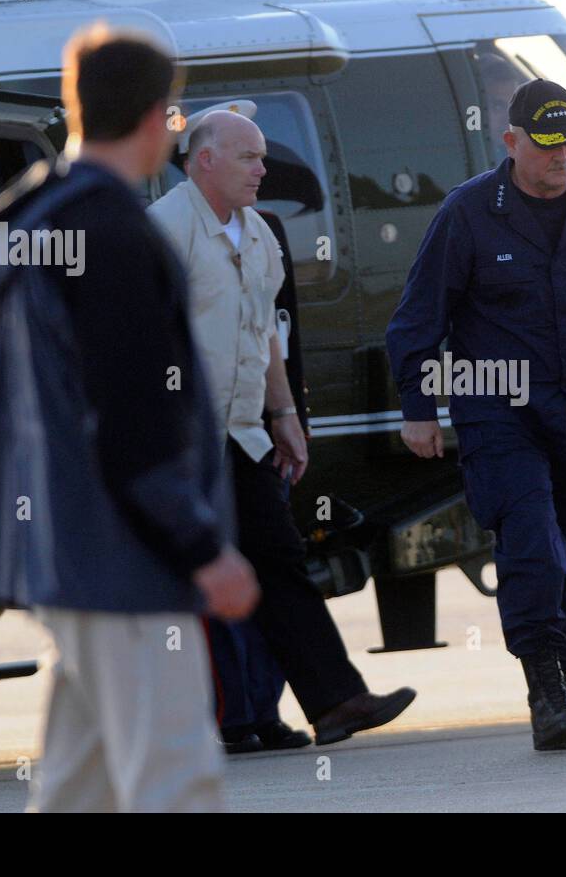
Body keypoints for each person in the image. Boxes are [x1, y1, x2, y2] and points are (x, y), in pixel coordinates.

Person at [0, 24, 259, 812]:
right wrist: (200, 546)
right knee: (176, 781)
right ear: (159, 114)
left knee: (76, 792)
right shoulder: (113, 232)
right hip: (129, 560)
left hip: (67, 551)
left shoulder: (45, 218)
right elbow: (132, 419)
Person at [386, 79, 566, 750]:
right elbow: (418, 319)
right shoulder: (470, 214)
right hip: (497, 414)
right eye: (547, 144)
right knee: (534, 547)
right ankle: (546, 695)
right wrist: (419, 408)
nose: (563, 157)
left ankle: (565, 684)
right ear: (511, 142)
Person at [149, 105, 416, 749]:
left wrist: (284, 415)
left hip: (243, 434)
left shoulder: (259, 234)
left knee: (278, 560)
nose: (264, 168)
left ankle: (333, 702)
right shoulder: (163, 231)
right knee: (203, 580)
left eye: (263, 156)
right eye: (250, 157)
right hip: (184, 439)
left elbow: (266, 332)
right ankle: (224, 723)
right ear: (202, 160)